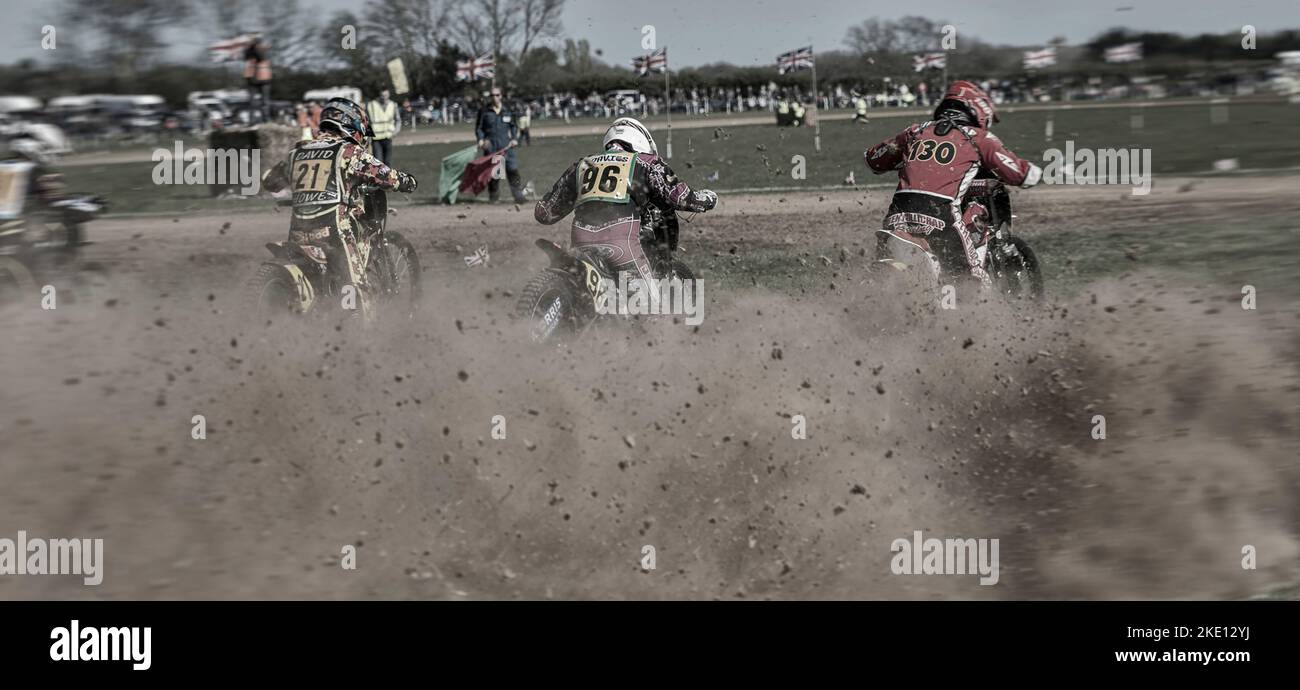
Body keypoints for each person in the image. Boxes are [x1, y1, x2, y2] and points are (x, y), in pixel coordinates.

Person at [864, 80, 1042, 285]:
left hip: (896, 218)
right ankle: (965, 310)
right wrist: (1036, 172)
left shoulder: (914, 132)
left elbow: (873, 161)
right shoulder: (978, 137)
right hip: (942, 218)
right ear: (979, 111)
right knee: (973, 282)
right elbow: (1021, 175)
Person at [261, 98, 418, 319]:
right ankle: (361, 332)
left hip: (298, 233)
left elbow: (269, 181)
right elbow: (386, 176)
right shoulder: (347, 152)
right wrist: (407, 181)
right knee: (356, 289)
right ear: (352, 126)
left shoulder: (297, 152)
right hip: (335, 232)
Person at [534, 117, 717, 281]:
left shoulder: (581, 165)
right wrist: (707, 199)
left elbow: (545, 213)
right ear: (641, 141)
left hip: (581, 243)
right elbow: (681, 198)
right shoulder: (646, 162)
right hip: (622, 244)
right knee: (650, 305)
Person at [475, 87, 526, 203]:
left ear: (501, 96)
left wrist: (514, 138)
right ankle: (494, 197)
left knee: (512, 170)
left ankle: (518, 196)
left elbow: (513, 126)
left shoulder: (508, 110)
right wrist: (481, 140)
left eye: (497, 95)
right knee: (495, 174)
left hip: (506, 147)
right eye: (492, 95)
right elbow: (479, 128)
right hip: (492, 146)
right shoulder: (484, 111)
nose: (494, 97)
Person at [366, 88, 399, 166]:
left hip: (388, 137)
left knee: (388, 162)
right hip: (376, 139)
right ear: (379, 95)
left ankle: (387, 178)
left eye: (386, 95)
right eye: (382, 95)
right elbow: (367, 122)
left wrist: (395, 132)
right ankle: (378, 178)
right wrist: (368, 137)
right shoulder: (371, 105)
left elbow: (398, 120)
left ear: (389, 95)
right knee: (378, 162)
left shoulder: (393, 105)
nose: (384, 97)